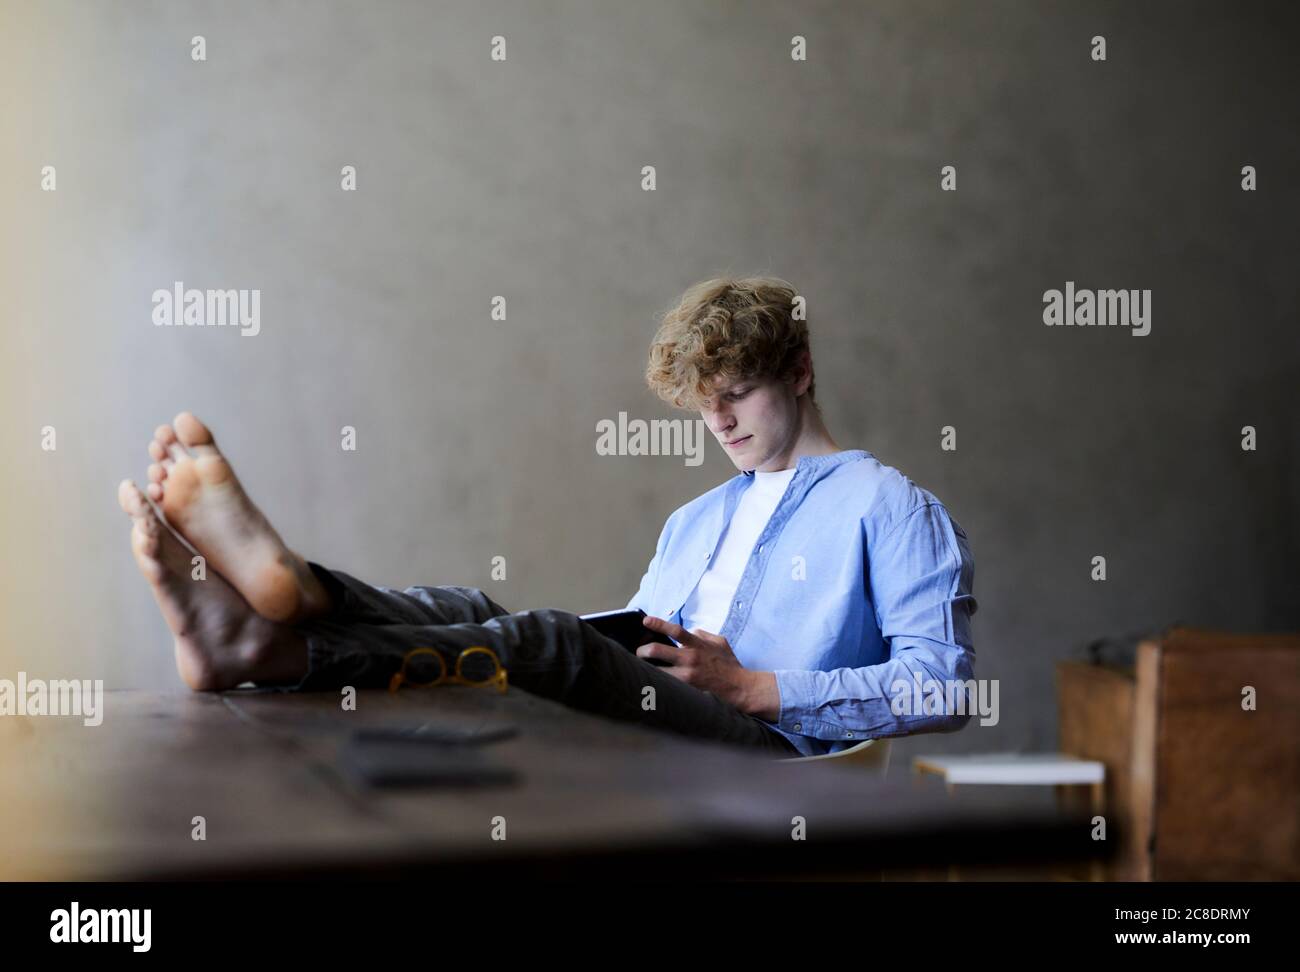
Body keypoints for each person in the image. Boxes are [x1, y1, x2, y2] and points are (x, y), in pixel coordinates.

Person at [116, 275, 978, 758]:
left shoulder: (890, 505)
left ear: (798, 370)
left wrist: (757, 686)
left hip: (772, 756)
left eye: (738, 392)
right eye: (702, 403)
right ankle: (302, 594)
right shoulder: (695, 519)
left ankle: (291, 645)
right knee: (478, 611)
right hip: (669, 731)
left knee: (551, 643)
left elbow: (943, 686)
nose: (718, 422)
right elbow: (643, 647)